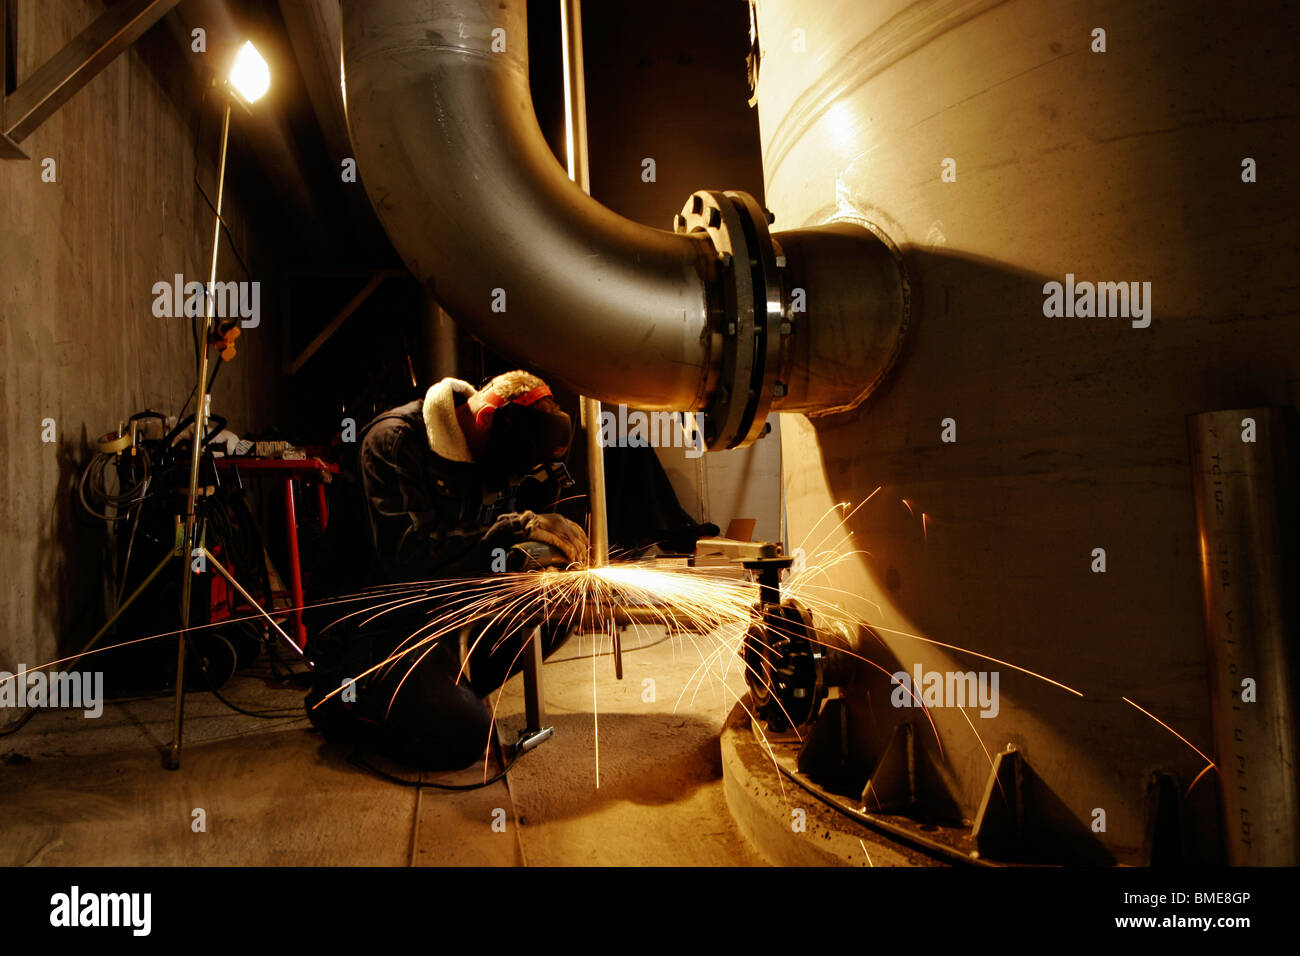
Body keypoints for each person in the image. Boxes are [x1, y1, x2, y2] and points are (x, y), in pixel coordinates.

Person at [305, 370, 588, 769]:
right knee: (463, 737)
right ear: (486, 416)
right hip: (373, 631)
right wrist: (512, 528)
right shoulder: (393, 442)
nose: (507, 481)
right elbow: (408, 555)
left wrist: (556, 571)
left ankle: (442, 691)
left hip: (439, 617)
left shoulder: (492, 447)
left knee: (557, 610)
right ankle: (345, 703)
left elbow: (488, 551)